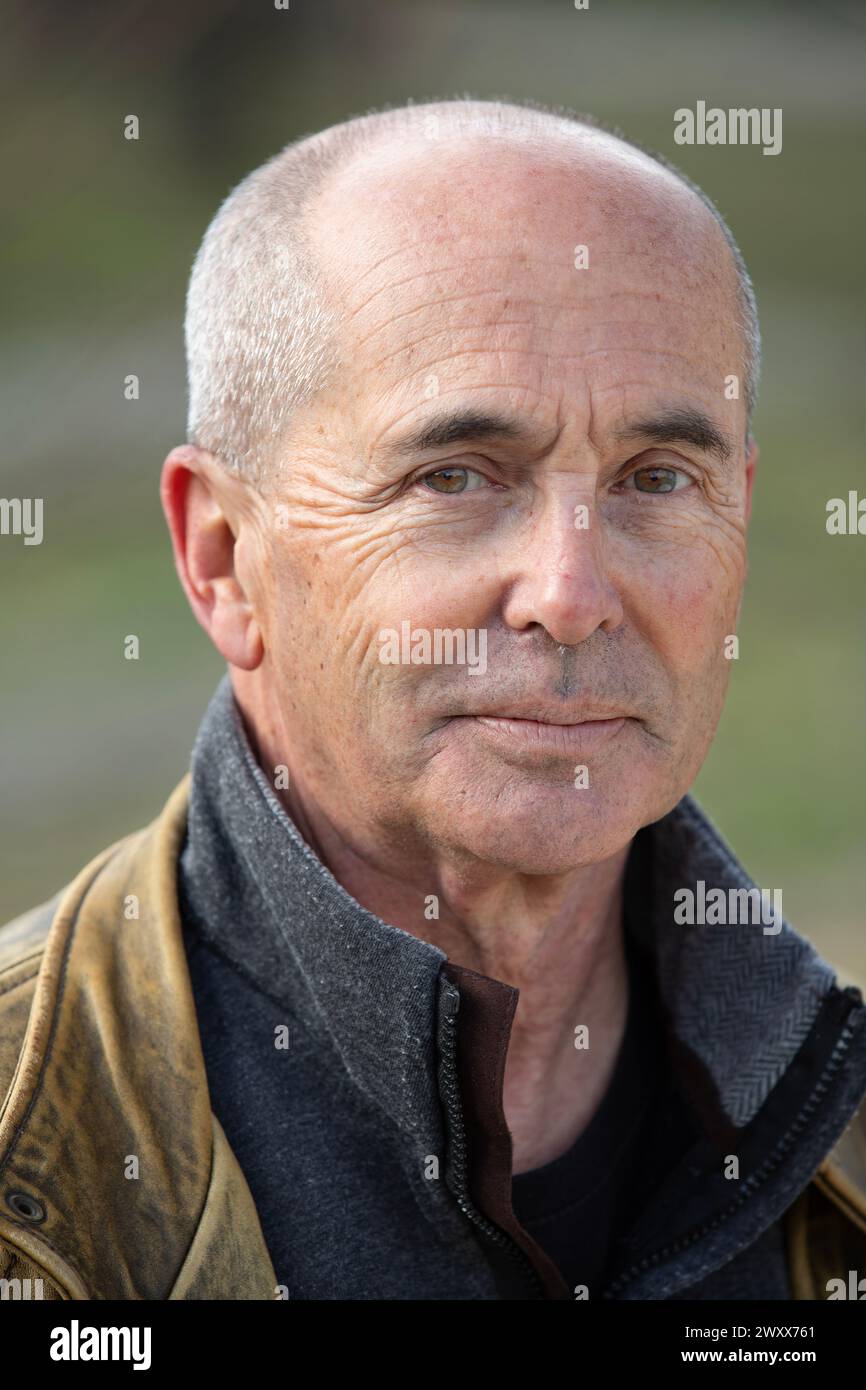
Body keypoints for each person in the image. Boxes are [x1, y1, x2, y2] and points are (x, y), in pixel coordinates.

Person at [1, 98, 863, 1301]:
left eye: (655, 479)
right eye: (454, 477)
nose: (569, 593)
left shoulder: (835, 1099)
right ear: (221, 557)